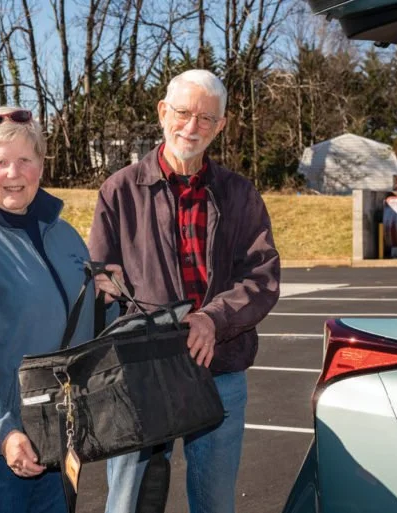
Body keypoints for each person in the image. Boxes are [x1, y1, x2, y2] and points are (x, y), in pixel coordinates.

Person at [88, 69, 281, 513]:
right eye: (182, 113)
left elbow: (262, 277)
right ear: (162, 113)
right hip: (140, 376)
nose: (191, 128)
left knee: (214, 503)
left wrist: (212, 319)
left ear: (222, 125)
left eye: (206, 118)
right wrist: (103, 285)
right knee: (129, 504)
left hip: (219, 371)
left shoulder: (238, 193)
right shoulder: (118, 191)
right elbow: (101, 285)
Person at [0, 106, 121, 513]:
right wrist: (3, 434)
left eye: (25, 160)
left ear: (40, 166)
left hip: (54, 436)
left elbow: (83, 336)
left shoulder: (64, 236)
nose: (14, 173)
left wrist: (108, 302)